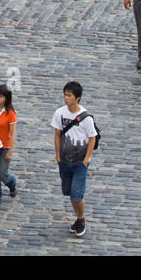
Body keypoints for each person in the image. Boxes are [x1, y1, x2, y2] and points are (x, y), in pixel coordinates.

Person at [51, 81, 96, 239]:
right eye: (65, 95)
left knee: (76, 195)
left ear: (77, 98)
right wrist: (57, 155)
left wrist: (86, 159)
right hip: (64, 160)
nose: (66, 98)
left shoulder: (86, 118)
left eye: (69, 95)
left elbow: (92, 139)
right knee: (68, 192)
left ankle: (81, 219)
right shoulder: (59, 113)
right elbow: (57, 135)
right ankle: (78, 218)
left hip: (79, 163)